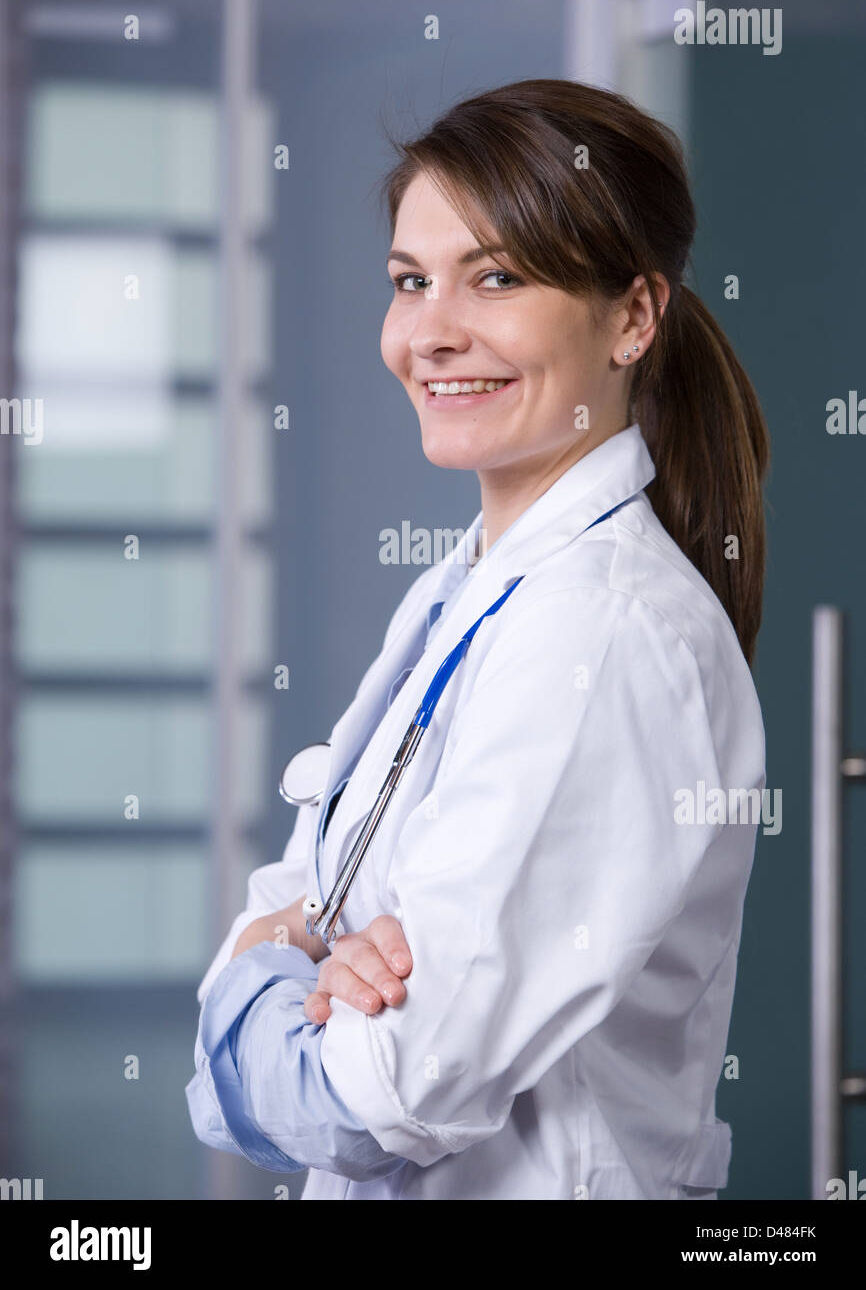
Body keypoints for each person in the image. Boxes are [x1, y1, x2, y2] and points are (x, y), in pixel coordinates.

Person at [186, 78, 769, 1200]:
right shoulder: (476, 589)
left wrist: (259, 979)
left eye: (495, 277)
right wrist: (293, 963)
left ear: (633, 317)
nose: (432, 332)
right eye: (411, 281)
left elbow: (378, 1097)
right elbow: (285, 921)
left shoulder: (599, 629)